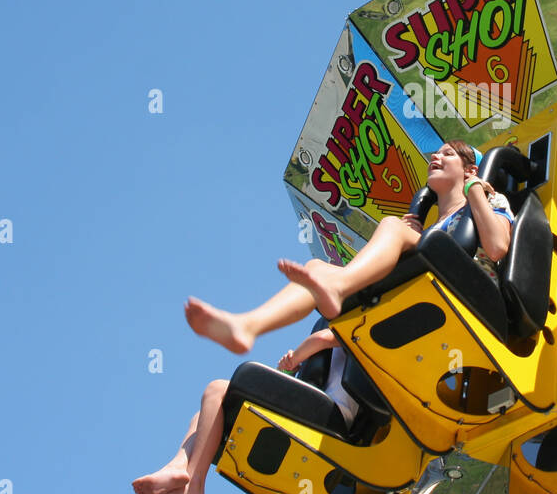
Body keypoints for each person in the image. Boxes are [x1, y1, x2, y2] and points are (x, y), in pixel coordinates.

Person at [183, 140, 513, 355]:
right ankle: (248, 325)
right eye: (434, 153)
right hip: (419, 295)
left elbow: (497, 247)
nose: (434, 157)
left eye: (447, 154)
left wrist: (475, 191)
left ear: (471, 169)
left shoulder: (487, 199)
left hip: (471, 296)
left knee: (389, 227)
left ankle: (337, 287)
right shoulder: (423, 229)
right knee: (315, 269)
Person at [131, 328, 356, 494]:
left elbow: (322, 339)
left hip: (332, 419)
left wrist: (295, 357)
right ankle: (177, 467)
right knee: (204, 415)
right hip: (319, 409)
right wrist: (296, 368)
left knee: (217, 389)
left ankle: (194, 484)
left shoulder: (361, 321)